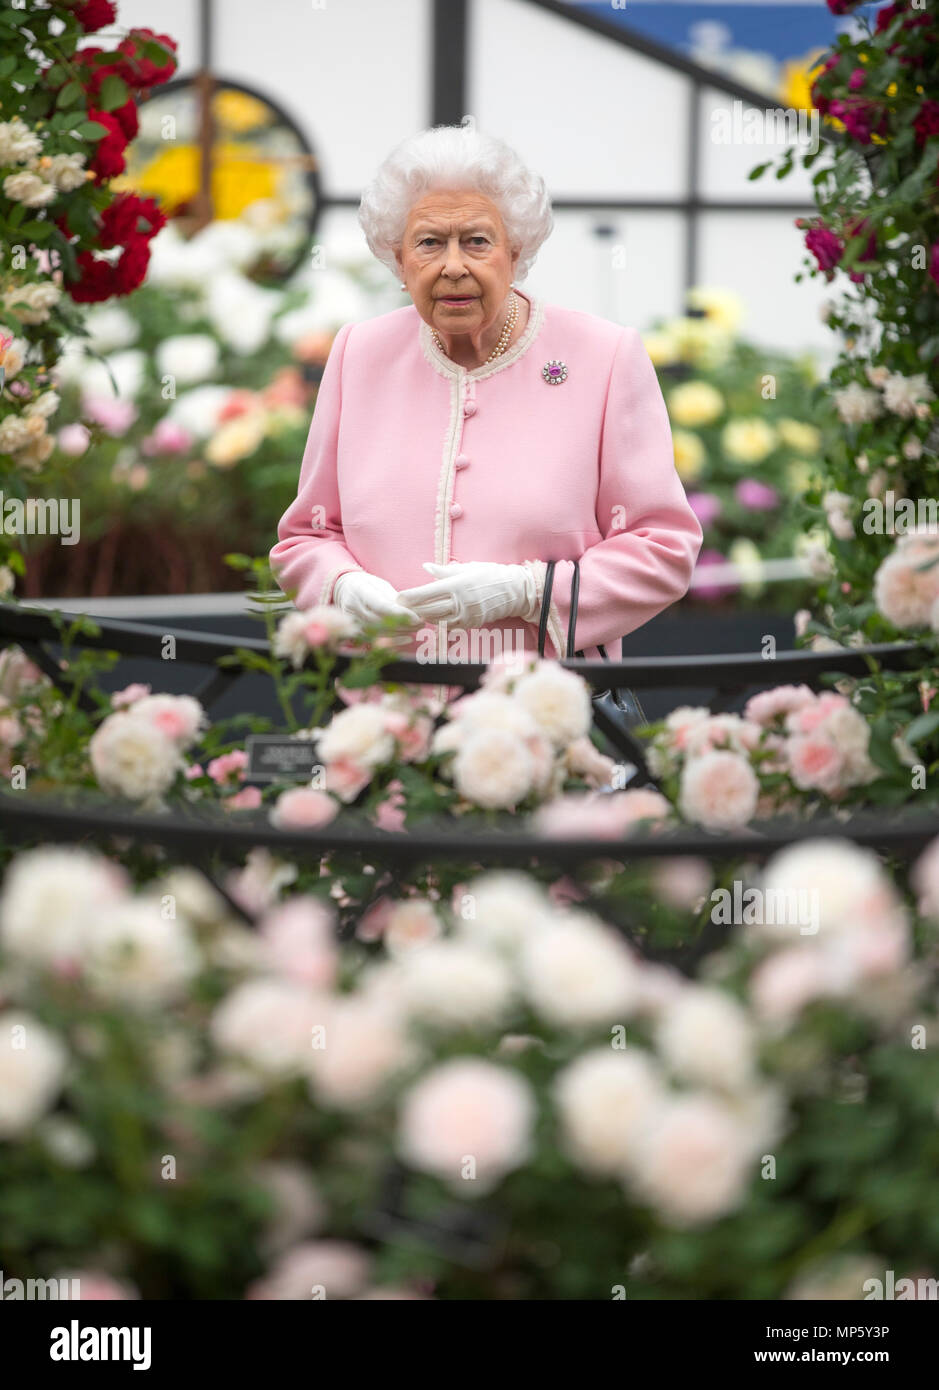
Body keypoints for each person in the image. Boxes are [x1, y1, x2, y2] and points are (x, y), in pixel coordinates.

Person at [270, 121, 703, 678]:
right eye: (429, 243)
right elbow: (308, 534)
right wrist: (341, 586)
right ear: (398, 260)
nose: (453, 266)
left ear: (515, 252)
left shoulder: (604, 356)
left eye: (477, 240)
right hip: (385, 715)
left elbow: (663, 547)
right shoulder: (360, 353)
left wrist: (529, 592)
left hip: (542, 715)